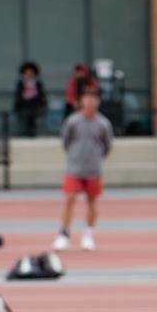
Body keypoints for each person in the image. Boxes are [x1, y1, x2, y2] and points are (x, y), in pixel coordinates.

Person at [53, 86, 113, 251]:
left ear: (98, 102)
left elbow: (107, 145)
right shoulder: (73, 121)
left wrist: (96, 159)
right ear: (80, 101)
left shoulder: (103, 123)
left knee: (92, 201)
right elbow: (65, 141)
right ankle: (63, 234)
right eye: (86, 98)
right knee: (69, 199)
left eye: (93, 98)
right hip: (74, 169)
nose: (89, 102)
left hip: (93, 170)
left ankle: (88, 234)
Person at [13, 62, 47, 137]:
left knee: (33, 122)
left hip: (35, 107)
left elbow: (42, 96)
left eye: (31, 72)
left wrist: (42, 106)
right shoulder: (20, 83)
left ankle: (33, 134)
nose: (29, 74)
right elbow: (18, 96)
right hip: (24, 107)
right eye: (27, 73)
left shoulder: (38, 84)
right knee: (25, 122)